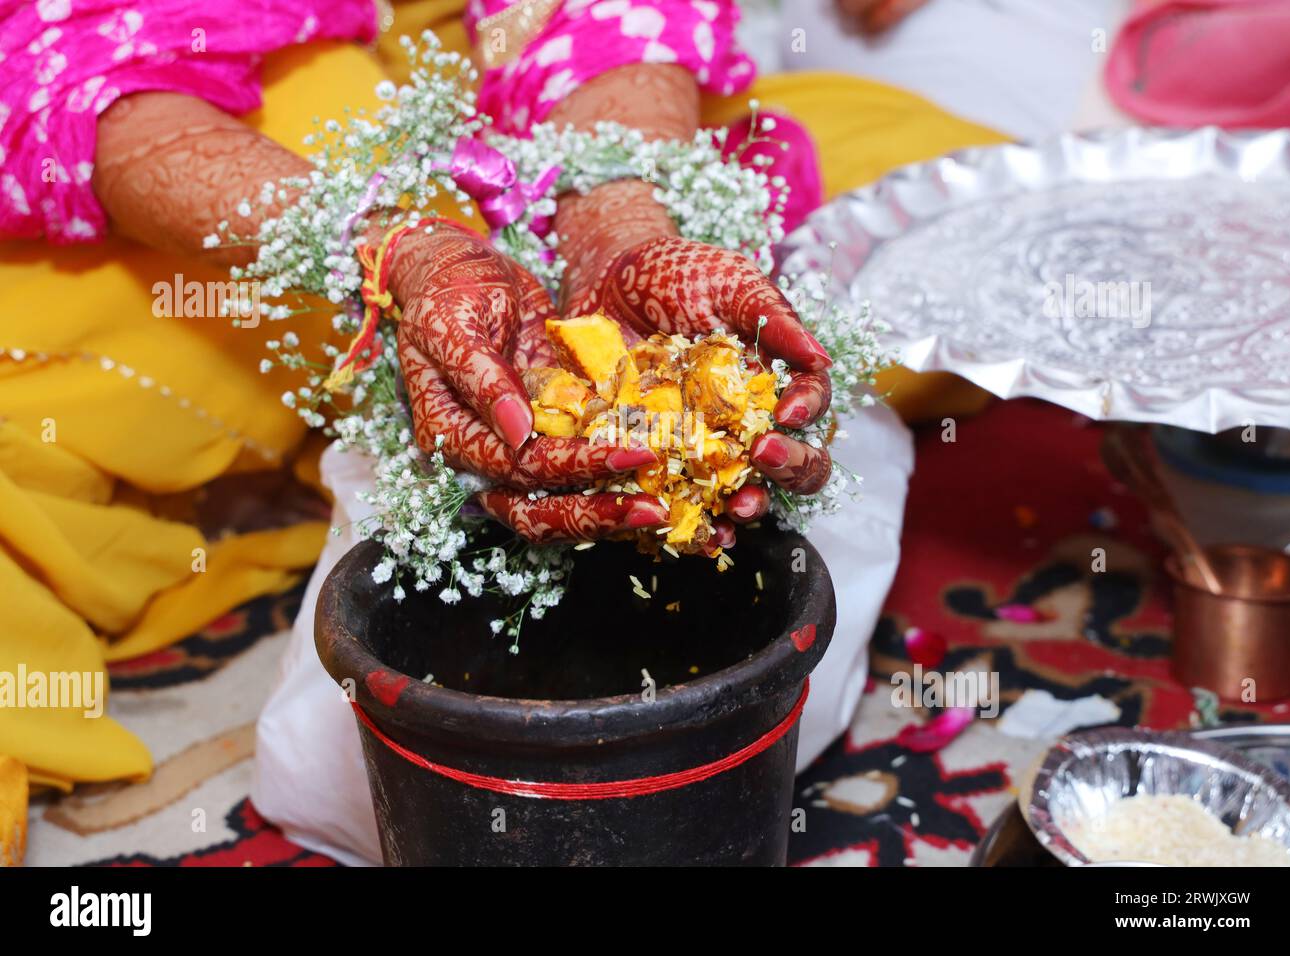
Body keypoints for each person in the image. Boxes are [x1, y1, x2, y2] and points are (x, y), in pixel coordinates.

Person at [0, 0, 1002, 863]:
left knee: (982, 219)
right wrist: (392, 248)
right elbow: (83, 67)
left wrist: (615, 222)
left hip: (515, 92)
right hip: (225, 148)